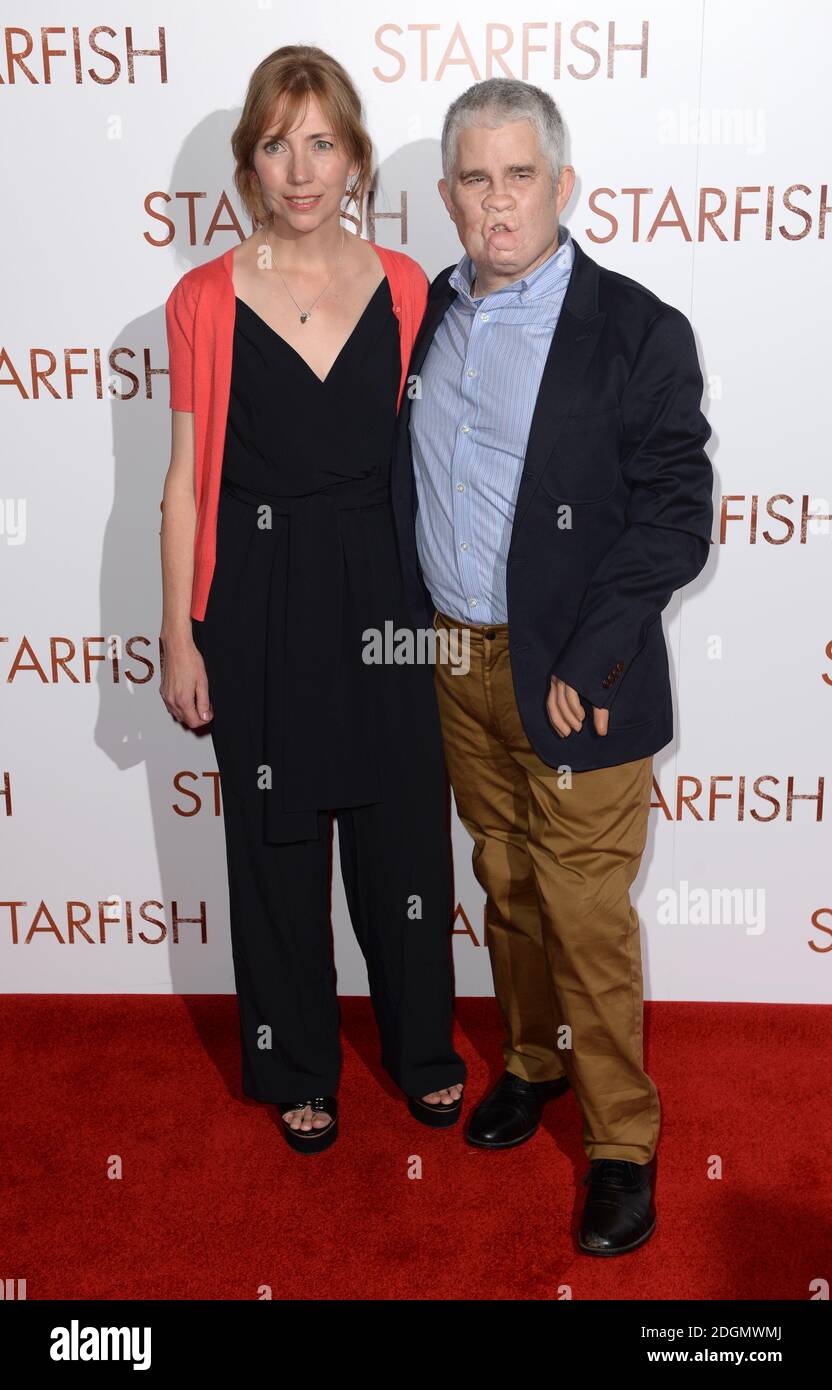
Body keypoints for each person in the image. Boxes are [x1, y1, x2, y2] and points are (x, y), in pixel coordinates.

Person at [391, 78, 713, 1252]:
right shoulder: (427, 313)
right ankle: (534, 1060)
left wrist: (593, 648)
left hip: (579, 680)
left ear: (562, 184)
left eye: (519, 176)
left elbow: (676, 513)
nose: (497, 202)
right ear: (446, 196)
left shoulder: (636, 329)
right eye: (474, 180)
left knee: (582, 912)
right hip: (456, 661)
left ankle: (622, 1139)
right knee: (507, 882)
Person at [159, 45, 465, 1153]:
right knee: (275, 844)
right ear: (249, 163)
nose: (300, 170)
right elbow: (184, 483)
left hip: (386, 589)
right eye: (277, 145)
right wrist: (178, 636)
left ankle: (423, 1048)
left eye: (321, 143)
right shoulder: (202, 298)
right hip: (258, 597)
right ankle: (297, 1064)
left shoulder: (408, 285)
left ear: (354, 160)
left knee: (404, 836)